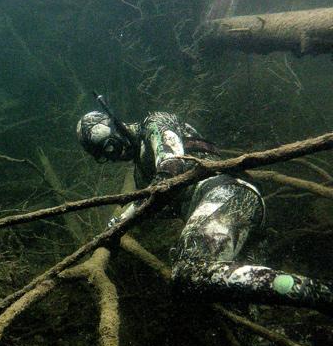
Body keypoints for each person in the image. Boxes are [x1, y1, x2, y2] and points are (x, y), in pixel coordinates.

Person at [75, 99, 332, 316]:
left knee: (190, 270)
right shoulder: (143, 174)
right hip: (226, 206)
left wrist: (123, 219)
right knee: (238, 304)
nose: (112, 155)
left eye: (107, 144)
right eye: (102, 156)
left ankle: (322, 293)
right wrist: (119, 225)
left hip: (225, 194)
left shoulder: (153, 124)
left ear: (114, 124)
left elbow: (172, 164)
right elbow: (158, 202)